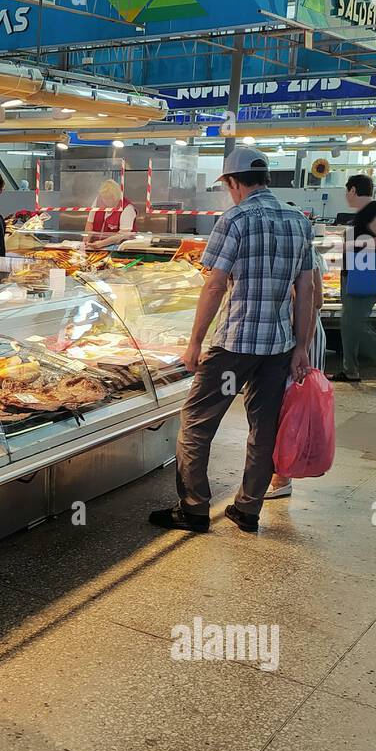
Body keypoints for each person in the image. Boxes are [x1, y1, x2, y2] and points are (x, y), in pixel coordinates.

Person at [148, 147, 314, 535]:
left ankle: (193, 508)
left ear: (234, 182)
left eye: (227, 185)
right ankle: (247, 509)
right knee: (264, 427)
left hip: (234, 344)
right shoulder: (298, 220)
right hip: (278, 345)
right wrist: (301, 346)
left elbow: (215, 284)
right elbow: (305, 287)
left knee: (196, 423)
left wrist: (194, 343)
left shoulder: (234, 219)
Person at [266, 240, 326, 500]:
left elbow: (315, 297)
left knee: (288, 411)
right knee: (292, 409)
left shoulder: (296, 251)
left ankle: (282, 478)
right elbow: (319, 298)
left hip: (298, 334)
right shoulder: (303, 247)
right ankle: (282, 473)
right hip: (304, 335)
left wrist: (302, 345)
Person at [331, 174, 376, 385]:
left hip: (366, 275)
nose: (346, 196)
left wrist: (353, 245)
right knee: (348, 323)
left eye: (347, 191)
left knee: (354, 323)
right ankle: (350, 370)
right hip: (354, 273)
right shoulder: (365, 212)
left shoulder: (375, 209)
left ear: (353, 190)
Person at [84, 179, 138, 250]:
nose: (105, 201)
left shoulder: (127, 209)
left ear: (116, 197)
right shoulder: (98, 201)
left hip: (119, 249)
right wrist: (86, 240)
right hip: (97, 247)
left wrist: (101, 243)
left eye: (108, 198)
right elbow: (90, 223)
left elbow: (123, 234)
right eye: (104, 198)